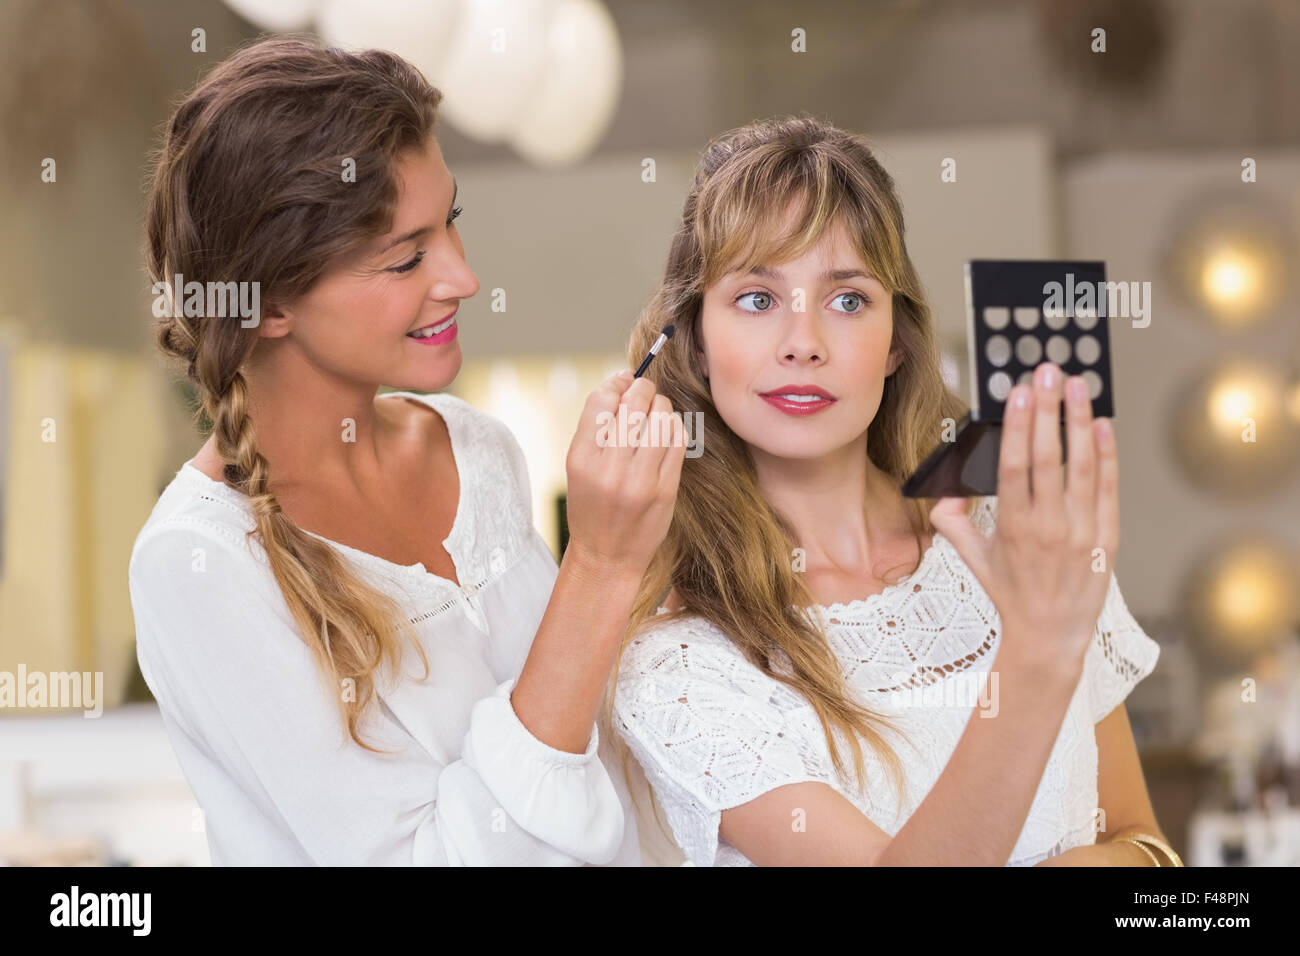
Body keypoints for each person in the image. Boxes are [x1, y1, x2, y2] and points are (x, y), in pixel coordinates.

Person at [128, 35, 685, 866]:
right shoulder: (196, 563)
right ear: (270, 302)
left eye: (450, 222)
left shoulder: (474, 448)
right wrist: (599, 565)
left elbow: (601, 761)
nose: (461, 276)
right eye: (405, 257)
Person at [605, 115, 1169, 866]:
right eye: (756, 298)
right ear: (697, 344)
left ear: (897, 342)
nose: (803, 341)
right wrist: (1037, 652)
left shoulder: (1022, 537)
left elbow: (1143, 844)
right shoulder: (676, 660)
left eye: (846, 300)